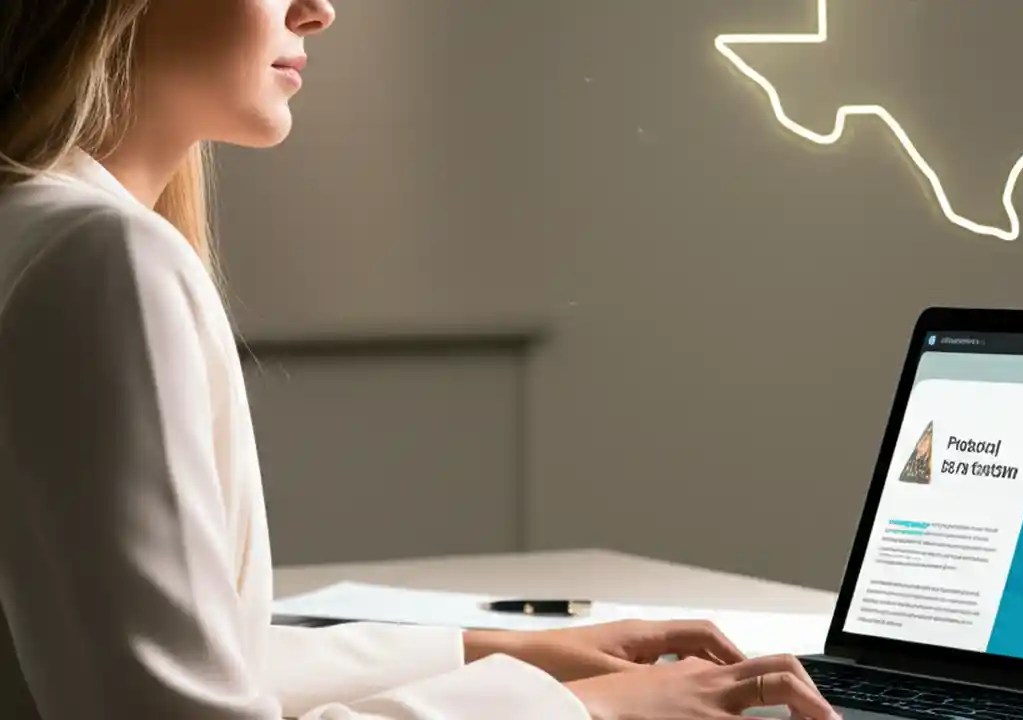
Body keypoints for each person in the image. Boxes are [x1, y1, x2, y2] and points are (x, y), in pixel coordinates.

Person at [0, 2, 841, 719]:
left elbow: (208, 663)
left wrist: (512, 651)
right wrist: (584, 706)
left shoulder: (38, 229)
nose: (318, 9)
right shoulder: (101, 258)